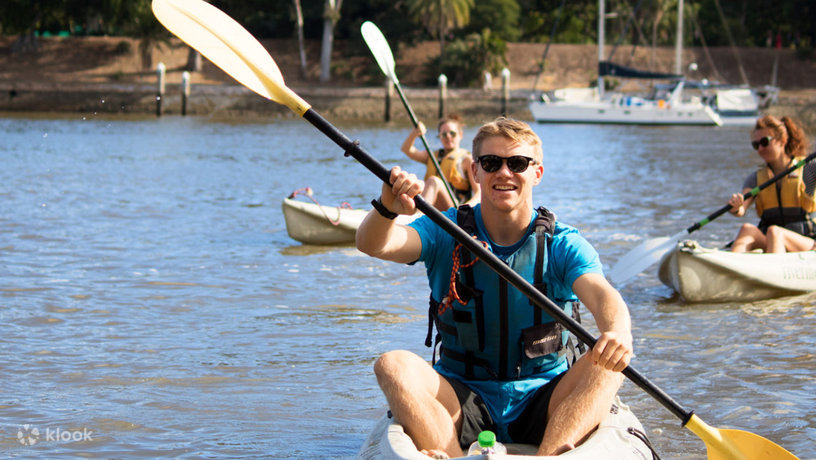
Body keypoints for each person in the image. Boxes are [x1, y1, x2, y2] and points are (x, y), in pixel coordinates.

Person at [357, 117, 633, 457]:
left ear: (537, 173)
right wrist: (387, 208)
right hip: (462, 393)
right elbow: (375, 245)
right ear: (475, 172)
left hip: (546, 396)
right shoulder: (446, 230)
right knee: (391, 365)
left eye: (517, 163)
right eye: (491, 163)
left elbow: (603, 294)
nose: (504, 172)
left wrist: (617, 331)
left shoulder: (563, 243)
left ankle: (549, 456)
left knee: (609, 363)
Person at [727, 115, 816, 253]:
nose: (760, 149)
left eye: (764, 141)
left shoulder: (809, 168)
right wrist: (736, 206)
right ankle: (728, 269)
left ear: (782, 141)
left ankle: (771, 272)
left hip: (806, 242)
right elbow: (741, 210)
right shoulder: (756, 178)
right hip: (770, 239)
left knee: (775, 232)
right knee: (746, 229)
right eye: (756, 145)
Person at [400, 114, 480, 211]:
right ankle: (414, 212)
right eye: (444, 134)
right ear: (440, 137)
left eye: (452, 133)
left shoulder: (467, 160)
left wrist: (464, 208)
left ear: (460, 135)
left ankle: (418, 214)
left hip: (455, 211)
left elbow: (479, 193)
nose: (448, 137)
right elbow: (406, 149)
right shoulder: (431, 156)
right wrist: (415, 133)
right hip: (434, 209)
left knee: (434, 181)